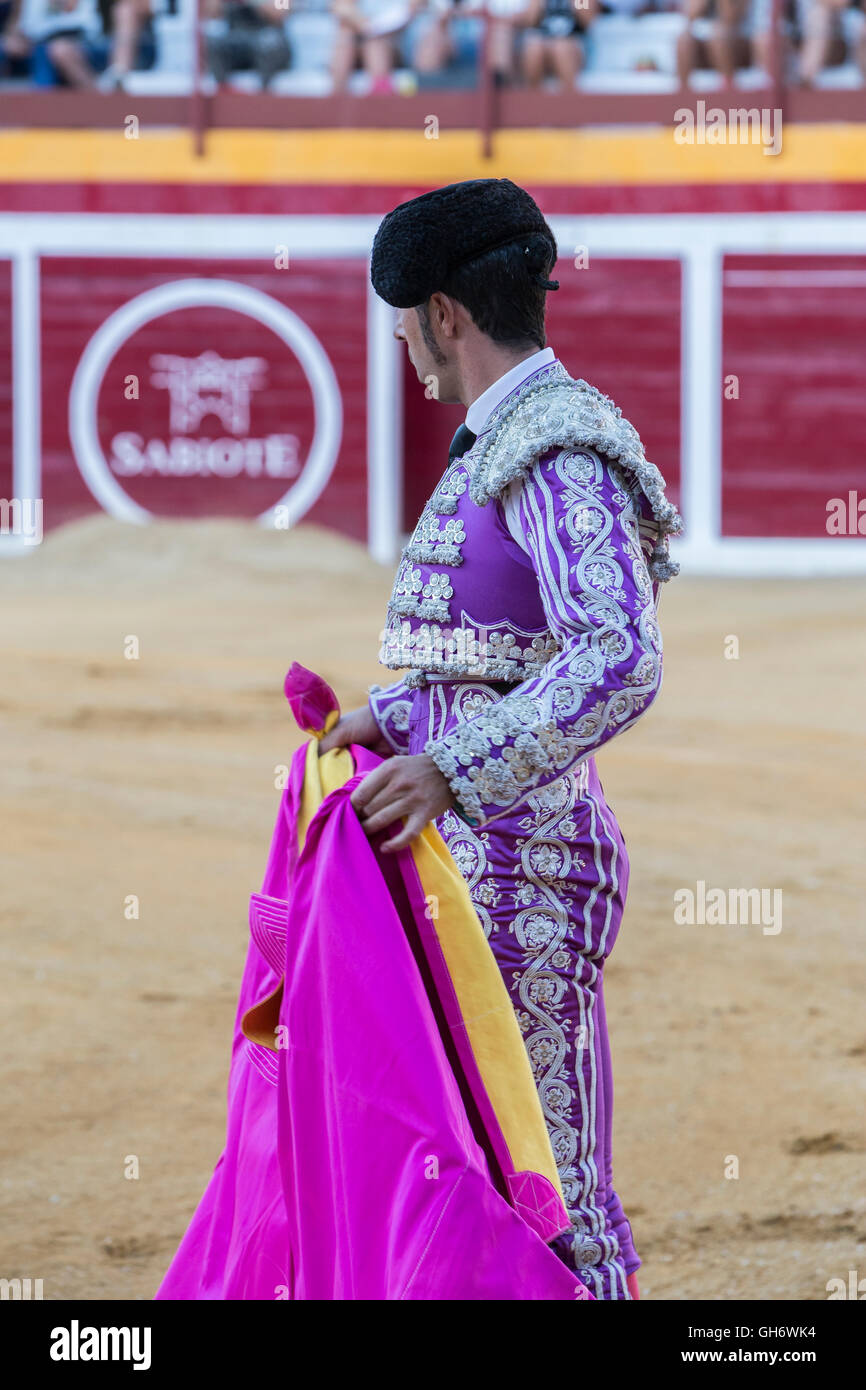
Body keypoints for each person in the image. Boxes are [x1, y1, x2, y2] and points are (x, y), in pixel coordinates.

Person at [319, 177, 683, 1300]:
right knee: (482, 1160)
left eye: (402, 323)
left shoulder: (552, 444)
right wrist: (396, 713)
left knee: (547, 1180)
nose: (403, 347)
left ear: (441, 314)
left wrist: (450, 765)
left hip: (524, 870)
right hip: (476, 864)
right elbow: (500, 648)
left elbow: (616, 653)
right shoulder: (507, 438)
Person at [203, 0, 291, 90]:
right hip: (237, 39)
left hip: (268, 39)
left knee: (268, 45)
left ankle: (263, 95)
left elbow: (281, 11)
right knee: (212, 44)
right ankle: (224, 91)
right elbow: (211, 11)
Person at [520, 0, 600, 88]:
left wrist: (577, 3)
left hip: (575, 42)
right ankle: (533, 96)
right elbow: (530, 22)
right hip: (542, 42)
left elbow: (588, 21)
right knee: (534, 48)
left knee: (561, 47)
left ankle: (570, 97)